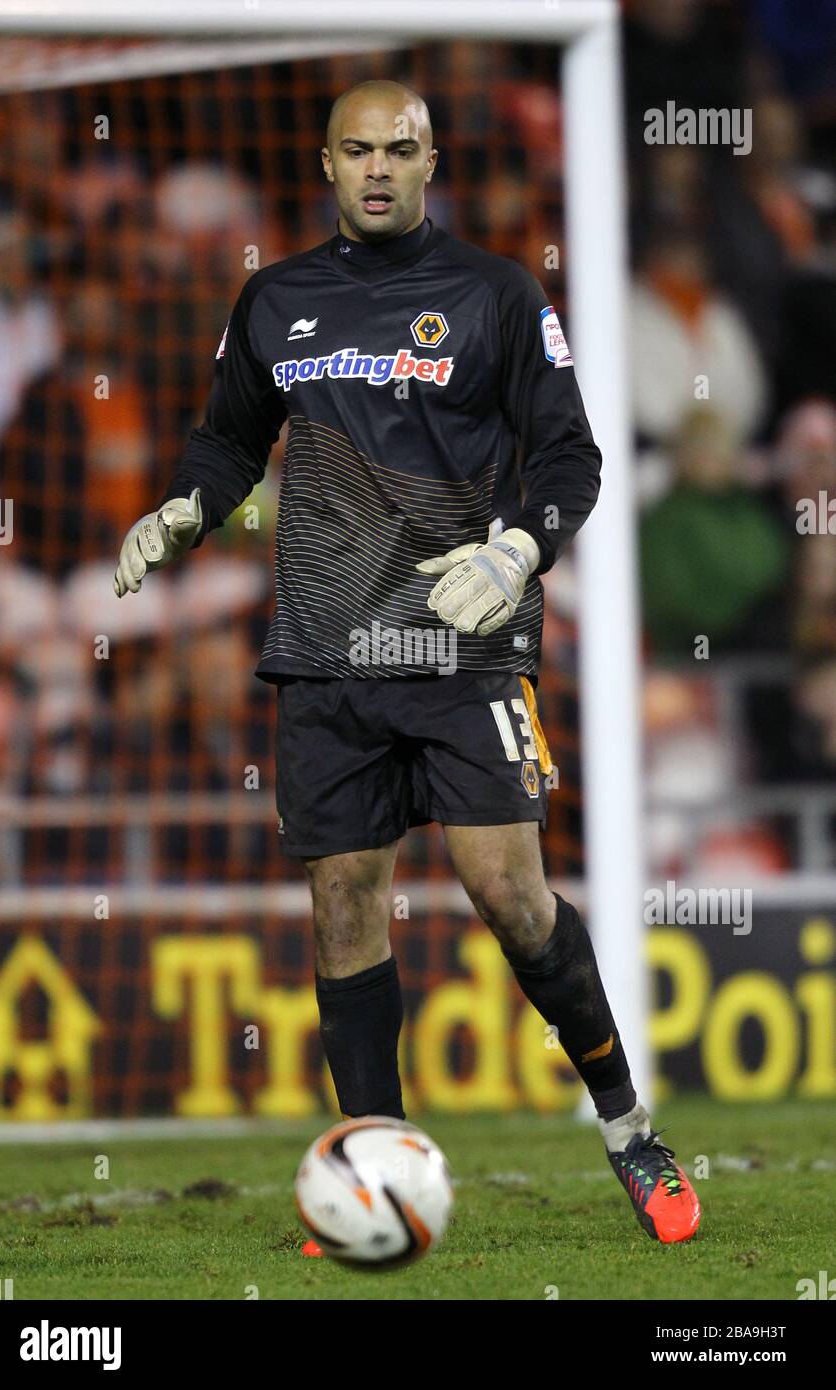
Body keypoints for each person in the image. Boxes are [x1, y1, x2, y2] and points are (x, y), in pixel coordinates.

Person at [113, 80, 700, 1245]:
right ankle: (372, 1176)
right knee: (343, 904)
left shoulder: (494, 294)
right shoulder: (276, 300)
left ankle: (630, 1131)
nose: (377, 169)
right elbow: (226, 436)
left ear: (432, 163)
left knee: (509, 894)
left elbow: (570, 455)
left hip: (461, 642)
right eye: (355, 151)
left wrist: (520, 548)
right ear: (324, 165)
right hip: (324, 654)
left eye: (400, 149)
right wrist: (183, 507)